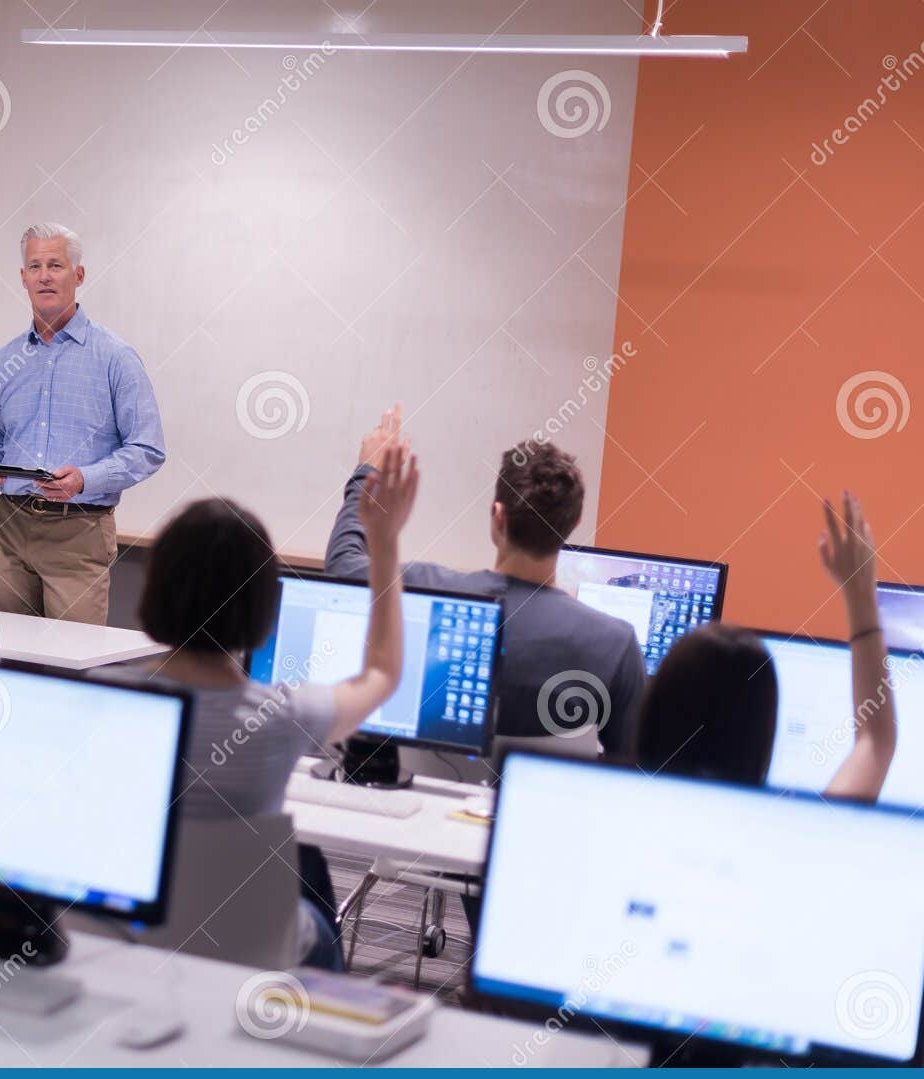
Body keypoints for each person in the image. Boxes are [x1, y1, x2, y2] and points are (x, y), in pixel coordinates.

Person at [131, 440, 419, 968]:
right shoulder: (282, 717)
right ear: (264, 605)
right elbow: (383, 672)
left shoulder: (104, 699)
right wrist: (383, 543)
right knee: (311, 896)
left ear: (154, 585)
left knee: (304, 862)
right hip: (249, 947)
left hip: (124, 938)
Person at [326, 406, 645, 757]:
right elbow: (631, 767)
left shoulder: (423, 591)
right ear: (575, 522)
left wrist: (368, 474)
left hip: (419, 789)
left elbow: (343, 568)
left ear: (497, 517)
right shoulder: (615, 644)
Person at [0, 223, 166, 625]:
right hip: (8, 527)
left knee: (73, 656)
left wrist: (85, 479)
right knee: (8, 650)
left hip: (79, 530)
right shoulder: (4, 361)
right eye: (34, 266)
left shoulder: (116, 357)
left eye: (55, 265)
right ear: (23, 278)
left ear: (79, 274)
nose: (44, 276)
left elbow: (148, 449)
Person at [637, 492, 895, 800]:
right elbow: (876, 742)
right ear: (763, 733)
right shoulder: (795, 828)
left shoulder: (601, 806)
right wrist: (859, 593)